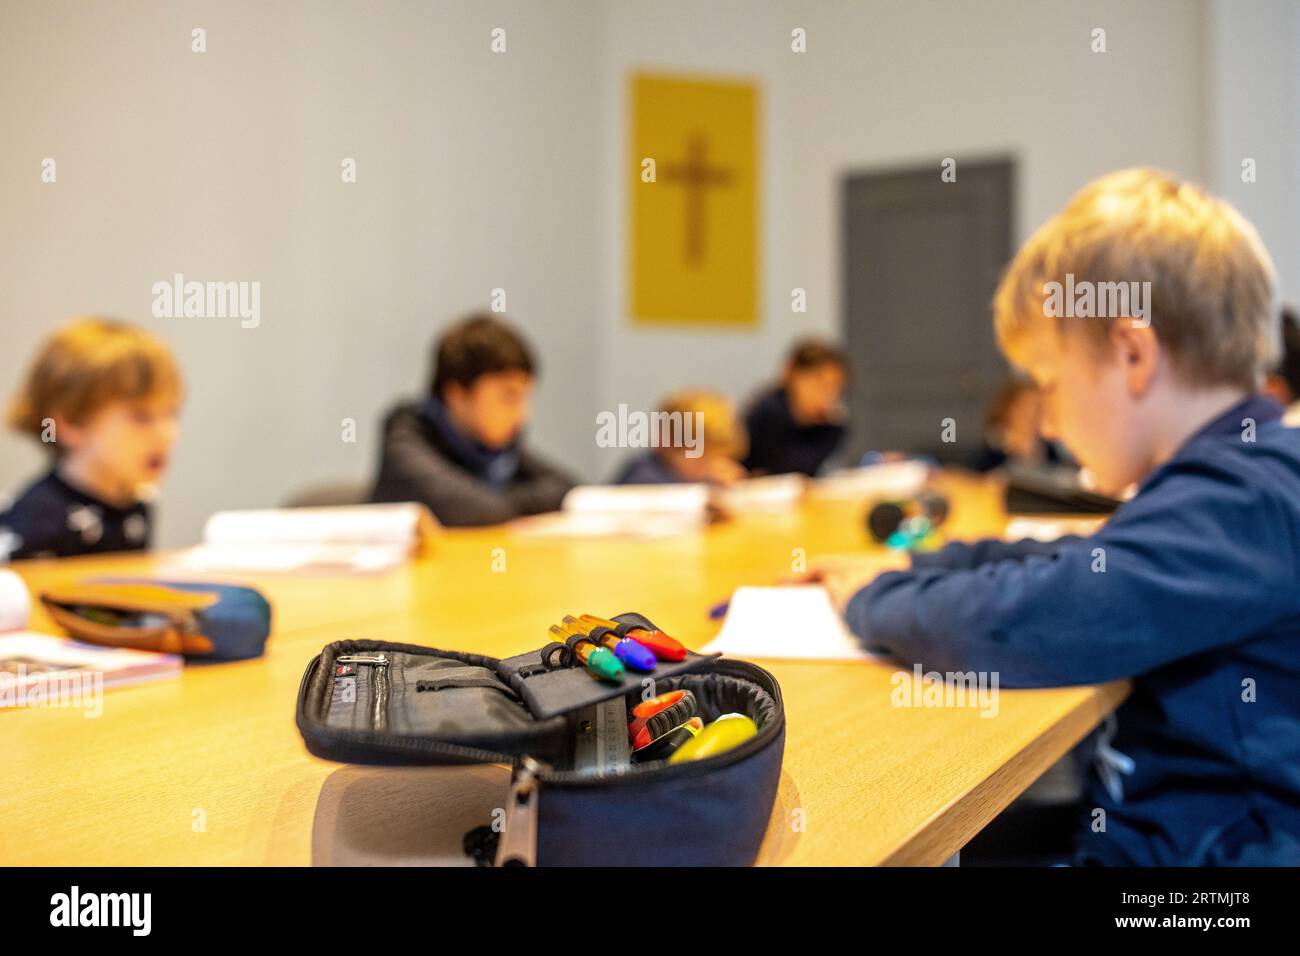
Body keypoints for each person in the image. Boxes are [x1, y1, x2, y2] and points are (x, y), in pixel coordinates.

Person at [818, 169, 1300, 865]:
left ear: (1133, 355)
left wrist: (871, 598)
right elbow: (1083, 561)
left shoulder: (1245, 499)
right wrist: (919, 563)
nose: (1045, 414)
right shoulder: (1228, 481)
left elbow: (1031, 617)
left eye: (1048, 381)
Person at [1, 318, 182, 560]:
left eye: (171, 413)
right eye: (141, 416)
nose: (167, 433)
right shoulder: (37, 523)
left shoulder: (137, 504)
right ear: (70, 424)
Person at [370, 313, 575, 526]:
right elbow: (479, 511)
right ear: (457, 394)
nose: (523, 415)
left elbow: (567, 491)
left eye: (525, 398)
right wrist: (517, 505)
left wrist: (507, 505)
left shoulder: (495, 450)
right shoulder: (406, 436)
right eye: (509, 397)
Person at [742, 338, 847, 476]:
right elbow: (787, 469)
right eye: (820, 383)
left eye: (835, 387)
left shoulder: (821, 424)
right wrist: (833, 427)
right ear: (792, 373)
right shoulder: (769, 411)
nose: (828, 395)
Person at [613, 389, 747, 486]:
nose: (713, 467)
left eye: (717, 458)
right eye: (703, 460)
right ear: (663, 441)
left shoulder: (689, 477)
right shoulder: (643, 477)